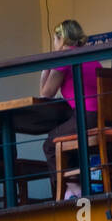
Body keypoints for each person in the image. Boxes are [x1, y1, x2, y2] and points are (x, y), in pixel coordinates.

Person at [40, 20, 102, 199]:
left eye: (54, 38)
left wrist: (45, 69)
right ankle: (78, 186)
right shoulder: (92, 57)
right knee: (68, 139)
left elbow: (46, 94)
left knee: (50, 144)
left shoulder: (64, 57)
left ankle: (69, 189)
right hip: (102, 117)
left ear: (60, 38)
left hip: (87, 117)